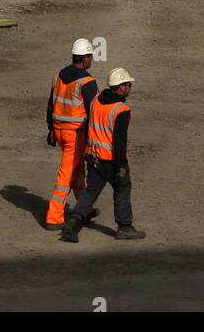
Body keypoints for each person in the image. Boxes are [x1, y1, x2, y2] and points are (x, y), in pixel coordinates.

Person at [60, 66, 146, 242]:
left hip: (93, 158)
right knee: (122, 189)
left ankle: (73, 223)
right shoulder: (120, 110)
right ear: (121, 87)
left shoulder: (96, 100)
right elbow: (120, 143)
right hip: (111, 161)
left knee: (90, 192)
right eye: (128, 84)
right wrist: (121, 167)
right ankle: (125, 227)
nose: (130, 87)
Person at [45, 39, 98, 228]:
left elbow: (51, 104)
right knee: (65, 176)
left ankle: (86, 208)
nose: (92, 60)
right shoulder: (87, 82)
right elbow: (94, 113)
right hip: (75, 135)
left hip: (59, 132)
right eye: (91, 56)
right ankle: (54, 217)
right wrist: (94, 141)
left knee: (77, 171)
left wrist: (51, 128)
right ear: (85, 59)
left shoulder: (58, 76)